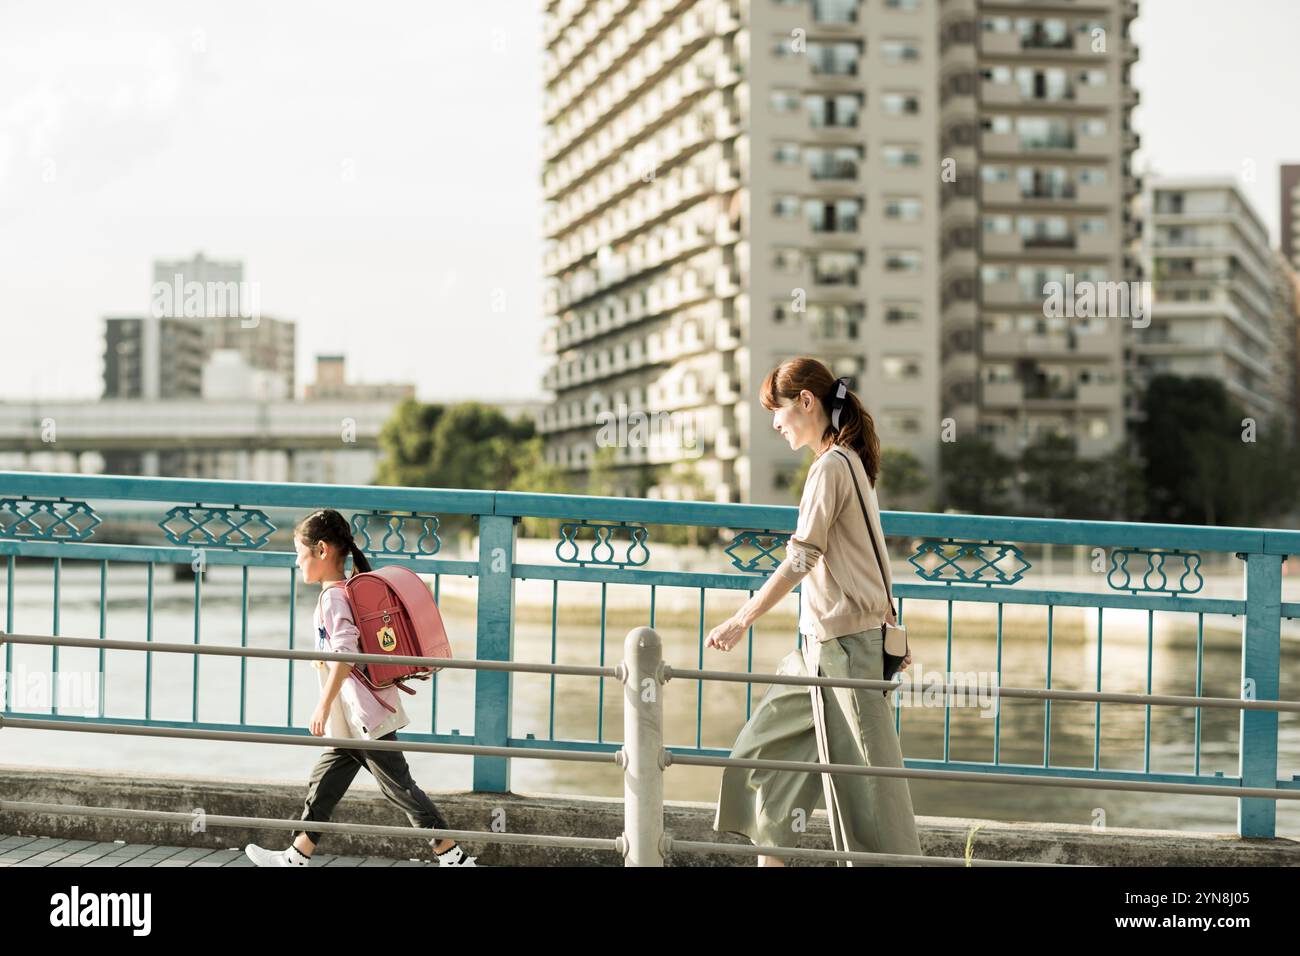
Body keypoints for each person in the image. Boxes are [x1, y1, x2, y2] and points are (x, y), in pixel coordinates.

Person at [708, 357, 923, 866]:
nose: (775, 425)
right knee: (760, 759)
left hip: (846, 650)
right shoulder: (843, 462)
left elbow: (802, 557)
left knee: (870, 805)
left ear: (807, 401)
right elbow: (869, 553)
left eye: (778, 412)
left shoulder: (833, 466)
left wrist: (743, 619)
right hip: (818, 652)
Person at [244, 509, 476, 867]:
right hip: (354, 714)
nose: (296, 561)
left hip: (362, 714)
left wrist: (322, 705)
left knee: (399, 789)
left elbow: (346, 652)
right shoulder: (341, 591)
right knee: (325, 783)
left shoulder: (333, 597)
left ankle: (453, 857)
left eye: (299, 552)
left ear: (321, 550)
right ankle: (297, 856)